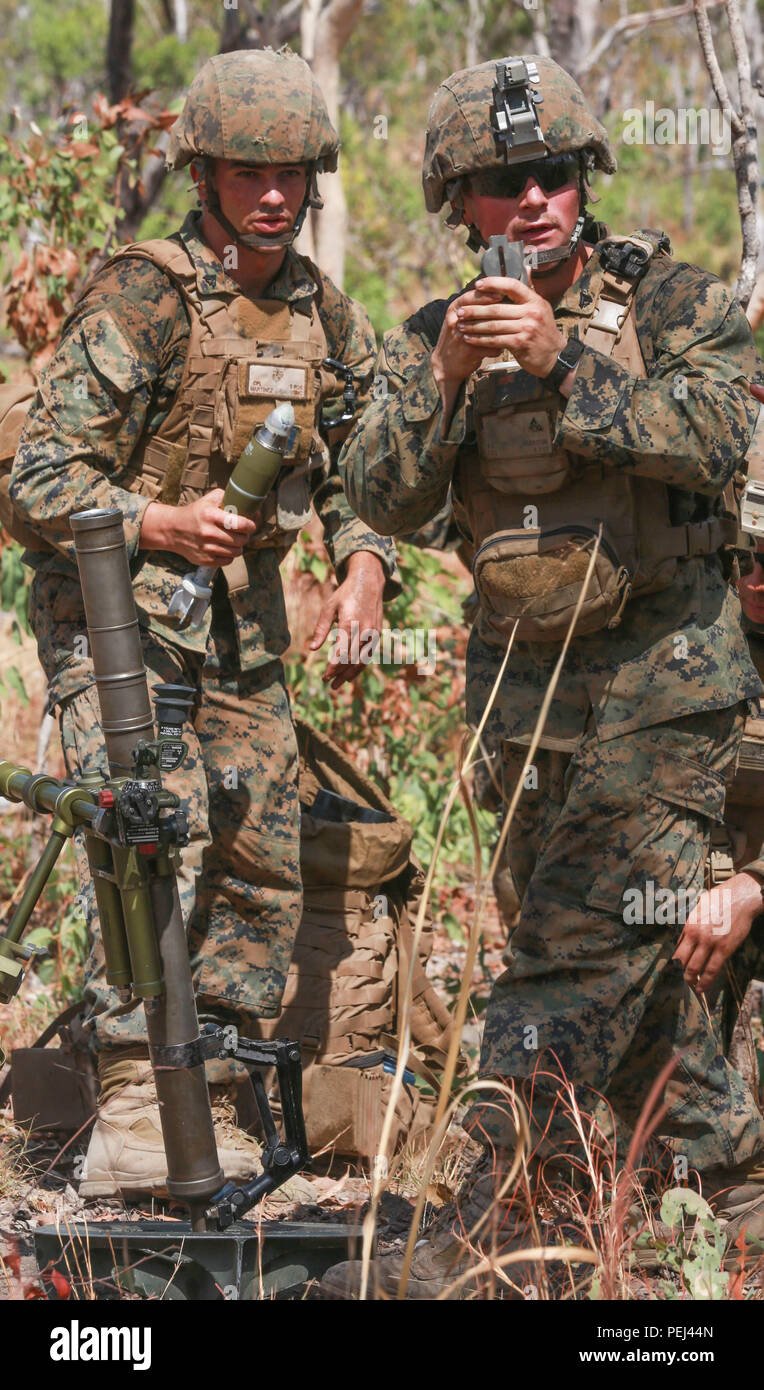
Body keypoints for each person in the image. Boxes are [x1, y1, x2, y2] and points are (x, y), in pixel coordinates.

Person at [326, 54, 764, 1297]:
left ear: (585, 181)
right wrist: (452, 379)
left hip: (663, 699)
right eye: (498, 183)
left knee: (562, 968)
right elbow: (375, 495)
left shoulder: (673, 301)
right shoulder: (437, 336)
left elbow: (717, 442)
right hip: (522, 711)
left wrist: (568, 363)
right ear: (455, 205)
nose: (530, 201)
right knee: (636, 991)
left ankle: (466, 1221)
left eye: (551, 174)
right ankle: (721, 1208)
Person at [9, 47, 399, 1201]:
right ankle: (138, 1095)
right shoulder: (144, 292)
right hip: (115, 620)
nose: (271, 193)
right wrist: (158, 518)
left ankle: (212, 1081)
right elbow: (35, 478)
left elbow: (364, 465)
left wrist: (365, 561)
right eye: (245, 170)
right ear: (203, 171)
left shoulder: (323, 312)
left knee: (265, 853)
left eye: (290, 170)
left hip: (239, 628)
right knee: (149, 833)